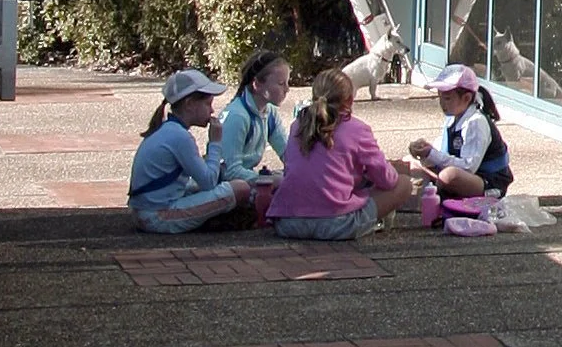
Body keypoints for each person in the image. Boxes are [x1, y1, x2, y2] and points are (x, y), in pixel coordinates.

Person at [266, 68, 413, 240]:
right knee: (404, 184)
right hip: (336, 223)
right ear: (350, 100)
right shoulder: (357, 129)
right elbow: (387, 180)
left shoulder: (296, 126)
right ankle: (373, 222)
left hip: (288, 222)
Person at [128, 71, 246, 235]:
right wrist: (215, 142)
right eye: (207, 104)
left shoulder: (168, 129)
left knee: (207, 184)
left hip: (143, 212)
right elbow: (209, 181)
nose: (212, 111)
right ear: (189, 103)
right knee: (240, 189)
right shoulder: (180, 136)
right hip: (156, 216)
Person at [409, 63, 513, 209]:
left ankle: (437, 192)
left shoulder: (476, 123)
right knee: (408, 164)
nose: (442, 104)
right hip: (464, 173)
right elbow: (444, 153)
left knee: (449, 176)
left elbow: (469, 167)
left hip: (487, 181)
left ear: (466, 98)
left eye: (447, 98)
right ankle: (434, 192)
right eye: (440, 97)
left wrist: (432, 154)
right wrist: (425, 153)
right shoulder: (453, 118)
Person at [214, 47, 293, 187]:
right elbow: (229, 171)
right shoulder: (237, 116)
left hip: (245, 180)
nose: (287, 89)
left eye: (287, 83)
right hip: (226, 186)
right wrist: (268, 180)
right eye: (281, 84)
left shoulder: (270, 113)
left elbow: (288, 155)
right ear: (257, 84)